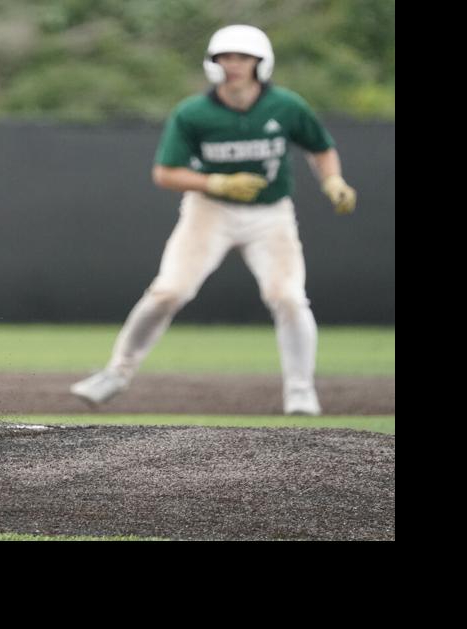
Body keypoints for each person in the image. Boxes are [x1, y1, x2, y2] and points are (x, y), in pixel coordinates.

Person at [69, 24, 357, 417]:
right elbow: (165, 172)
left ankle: (301, 391)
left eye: (243, 57)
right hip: (209, 211)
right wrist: (215, 181)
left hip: (271, 214)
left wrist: (333, 180)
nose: (234, 65)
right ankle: (116, 373)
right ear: (213, 63)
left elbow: (321, 148)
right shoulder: (194, 112)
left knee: (288, 297)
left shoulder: (287, 106)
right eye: (225, 57)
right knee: (169, 291)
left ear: (261, 62)